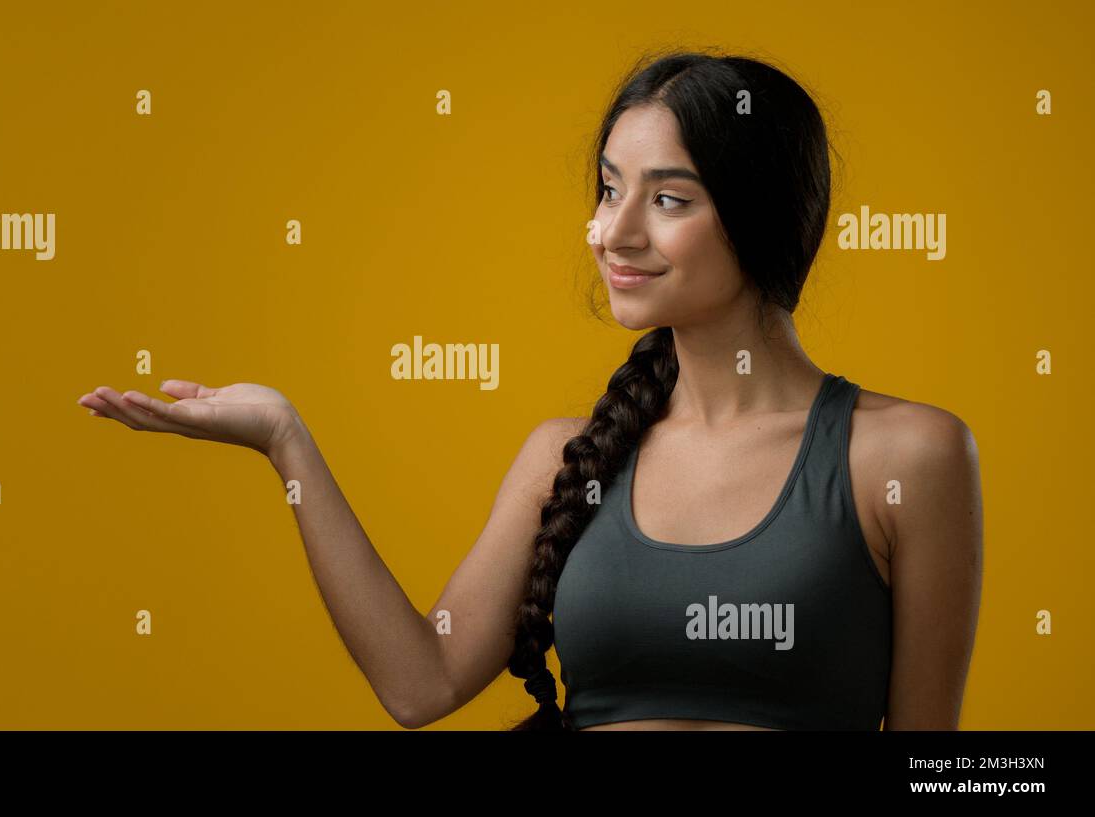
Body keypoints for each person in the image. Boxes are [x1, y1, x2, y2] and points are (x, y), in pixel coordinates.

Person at [77, 49, 982, 731]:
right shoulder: (569, 458)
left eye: (669, 199)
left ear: (762, 214)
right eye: (608, 189)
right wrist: (285, 440)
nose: (611, 230)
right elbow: (420, 680)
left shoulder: (905, 456)